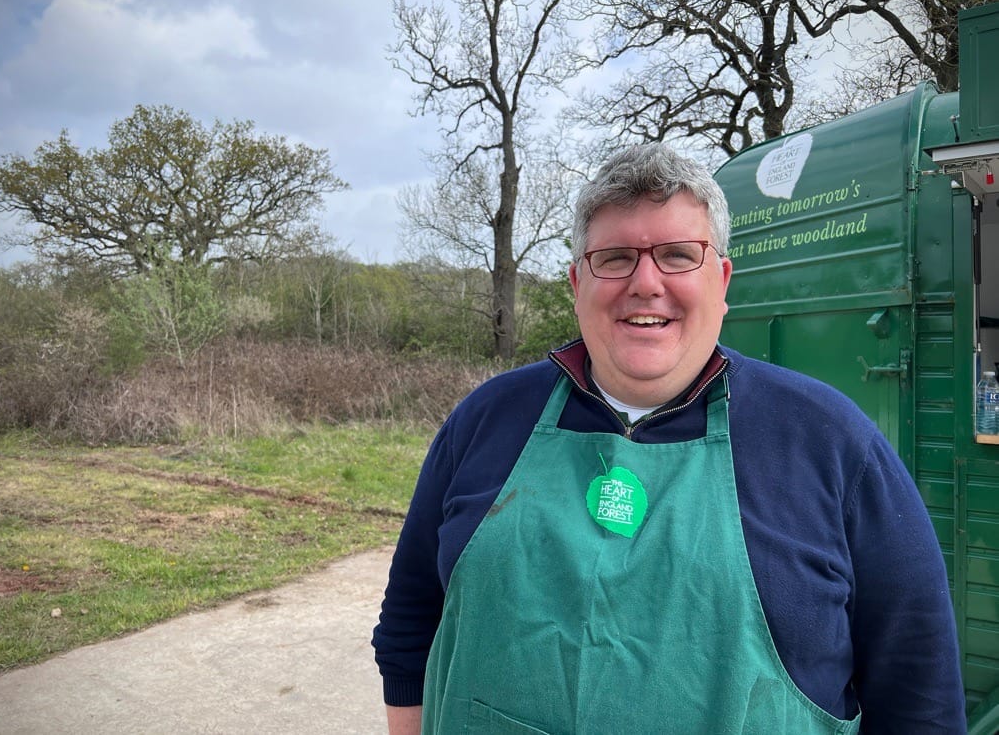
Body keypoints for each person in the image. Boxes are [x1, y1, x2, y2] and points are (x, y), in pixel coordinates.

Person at [372, 142, 965, 733]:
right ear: (578, 281)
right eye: (615, 257)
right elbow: (409, 626)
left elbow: (920, 690)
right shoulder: (486, 421)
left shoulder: (832, 444)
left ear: (722, 280)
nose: (646, 283)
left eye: (679, 255)